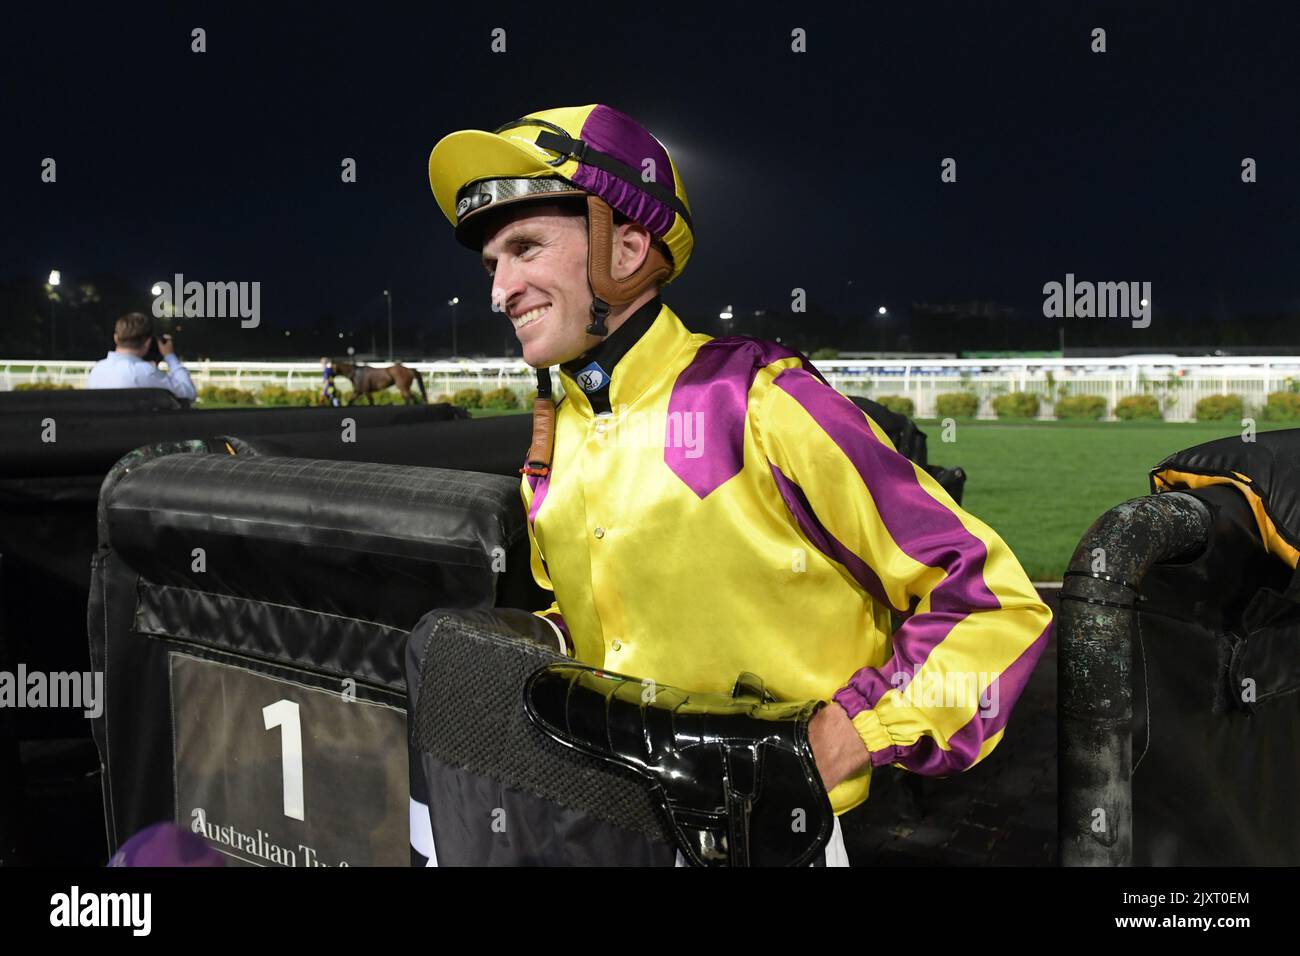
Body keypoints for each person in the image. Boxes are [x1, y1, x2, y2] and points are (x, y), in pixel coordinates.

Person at [426, 104, 1054, 864]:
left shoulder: (762, 399)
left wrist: (851, 736)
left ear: (624, 248)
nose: (500, 290)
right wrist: (533, 642)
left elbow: (995, 606)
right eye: (492, 264)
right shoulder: (555, 431)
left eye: (525, 249)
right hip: (613, 830)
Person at [87, 312, 197, 401]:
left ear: (116, 338)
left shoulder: (97, 370)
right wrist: (170, 356)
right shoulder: (147, 372)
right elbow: (188, 394)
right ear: (147, 342)